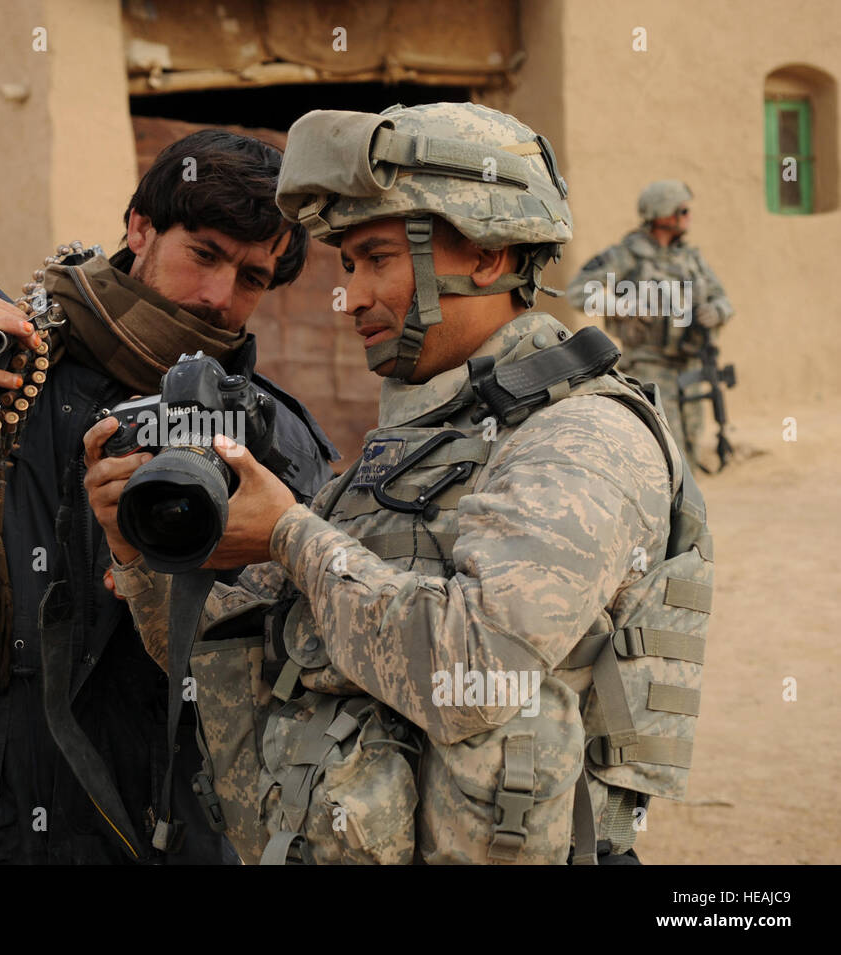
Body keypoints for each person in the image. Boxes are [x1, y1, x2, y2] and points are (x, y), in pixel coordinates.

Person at [88, 103, 714, 865]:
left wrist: (292, 534)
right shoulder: (416, 442)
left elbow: (471, 670)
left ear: (486, 255)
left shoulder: (582, 437)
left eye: (378, 258)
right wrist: (139, 547)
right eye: (347, 264)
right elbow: (220, 653)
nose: (350, 297)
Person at [0, 129, 338, 864]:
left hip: (164, 832)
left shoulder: (271, 437)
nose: (218, 297)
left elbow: (300, 661)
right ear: (139, 227)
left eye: (251, 279)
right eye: (203, 254)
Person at [567, 180, 735, 465]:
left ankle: (685, 508)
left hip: (691, 366)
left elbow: (723, 299)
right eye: (683, 210)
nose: (688, 216)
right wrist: (623, 306)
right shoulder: (627, 255)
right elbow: (578, 291)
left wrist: (716, 311)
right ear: (663, 214)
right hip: (650, 366)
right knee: (666, 451)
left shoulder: (690, 258)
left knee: (692, 450)